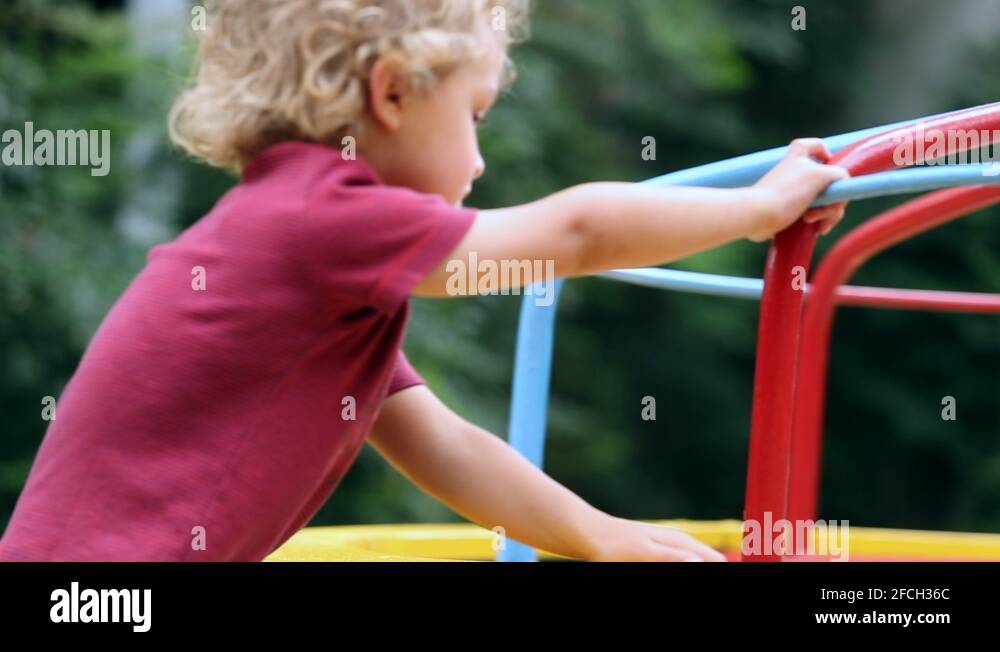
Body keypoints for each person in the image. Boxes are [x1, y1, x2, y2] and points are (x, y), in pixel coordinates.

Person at [0, 0, 847, 562]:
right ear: (393, 92)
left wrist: (603, 536)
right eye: (474, 116)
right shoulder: (321, 219)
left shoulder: (310, 254)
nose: (480, 158)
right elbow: (576, 232)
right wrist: (756, 209)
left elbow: (444, 445)